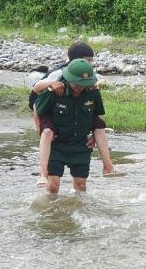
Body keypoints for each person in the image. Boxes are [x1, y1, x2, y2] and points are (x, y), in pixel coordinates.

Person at [29, 41, 118, 187]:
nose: (88, 63)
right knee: (47, 132)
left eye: (90, 61)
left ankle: (108, 166)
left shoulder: (89, 81)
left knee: (99, 126)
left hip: (76, 116)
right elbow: (36, 99)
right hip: (46, 104)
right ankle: (43, 174)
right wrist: (38, 127)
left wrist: (93, 135)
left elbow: (97, 115)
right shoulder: (58, 76)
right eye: (86, 60)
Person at [33, 59, 105, 194]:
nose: (79, 87)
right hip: (57, 144)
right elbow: (37, 109)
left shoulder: (93, 92)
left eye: (83, 84)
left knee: (81, 186)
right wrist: (40, 133)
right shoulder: (55, 90)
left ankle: (78, 210)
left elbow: (97, 117)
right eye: (76, 84)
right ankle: (51, 212)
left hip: (80, 144)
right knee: (53, 186)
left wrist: (94, 137)